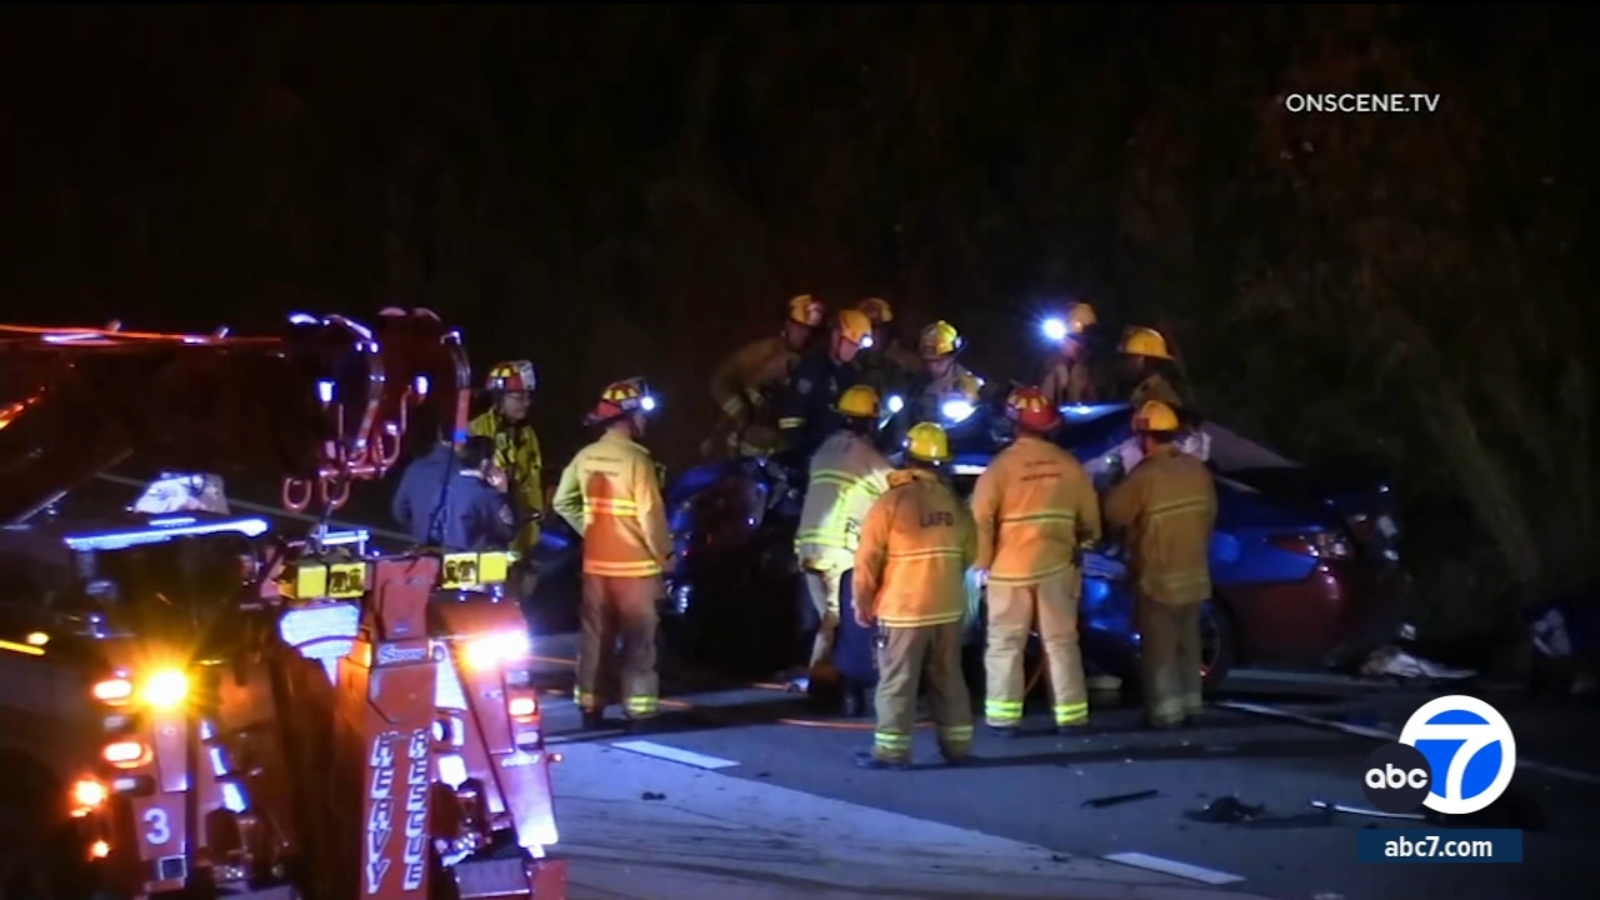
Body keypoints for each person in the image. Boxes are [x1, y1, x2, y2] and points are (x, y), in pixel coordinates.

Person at [970, 387, 1103, 736]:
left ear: (1014, 425)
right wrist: (1083, 542)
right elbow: (1090, 519)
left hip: (1008, 570)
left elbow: (980, 519)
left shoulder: (1000, 468)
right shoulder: (1069, 466)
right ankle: (1071, 717)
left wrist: (982, 562)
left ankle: (1003, 718)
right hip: (1058, 566)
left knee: (1005, 644)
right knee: (1061, 642)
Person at [850, 422, 977, 770]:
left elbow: (867, 560)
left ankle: (891, 752)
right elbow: (971, 552)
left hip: (904, 609)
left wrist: (862, 603)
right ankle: (958, 748)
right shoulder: (955, 503)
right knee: (949, 678)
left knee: (897, 682)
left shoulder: (891, 502)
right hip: (948, 608)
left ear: (908, 459)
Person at [551, 377, 672, 731]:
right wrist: (666, 556)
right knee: (639, 643)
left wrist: (592, 530)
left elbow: (561, 502)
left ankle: (590, 708)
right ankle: (640, 714)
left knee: (595, 639)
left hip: (596, 568)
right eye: (642, 415)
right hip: (636, 568)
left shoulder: (585, 457)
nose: (645, 423)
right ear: (630, 417)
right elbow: (651, 516)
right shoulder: (638, 460)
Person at [1102, 400, 1218, 730]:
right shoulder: (1197, 470)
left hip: (1159, 578)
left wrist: (1112, 480)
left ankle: (1166, 712)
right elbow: (1209, 517)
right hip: (1195, 575)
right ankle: (1192, 705)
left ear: (1145, 437)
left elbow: (1115, 512)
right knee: (1188, 644)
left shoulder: (1145, 475)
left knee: (1160, 650)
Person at [793, 384, 896, 714]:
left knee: (829, 618)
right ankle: (836, 688)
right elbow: (896, 489)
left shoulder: (825, 449)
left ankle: (821, 683)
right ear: (871, 422)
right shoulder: (869, 458)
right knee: (842, 621)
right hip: (839, 549)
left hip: (807, 545)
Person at [707, 294, 825, 457]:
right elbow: (721, 380)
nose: (804, 335)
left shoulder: (807, 361)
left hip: (776, 437)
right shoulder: (764, 352)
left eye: (808, 331)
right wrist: (741, 412)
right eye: (799, 328)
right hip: (749, 433)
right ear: (787, 325)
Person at [469, 360, 546, 594]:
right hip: (492, 537)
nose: (526, 403)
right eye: (518, 397)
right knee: (488, 604)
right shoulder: (478, 430)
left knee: (517, 603)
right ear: (500, 397)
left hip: (525, 535)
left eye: (527, 397)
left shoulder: (527, 432)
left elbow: (533, 473)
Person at [777, 309, 873, 463]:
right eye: (849, 342)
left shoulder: (852, 375)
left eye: (856, 346)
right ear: (835, 336)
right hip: (811, 454)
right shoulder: (812, 369)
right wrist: (804, 455)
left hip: (839, 455)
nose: (852, 350)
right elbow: (791, 421)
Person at [909, 320, 984, 426]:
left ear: (952, 357)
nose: (933, 367)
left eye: (939, 361)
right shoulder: (917, 381)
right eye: (929, 361)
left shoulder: (967, 382)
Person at [853, 297, 921, 400]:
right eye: (868, 328)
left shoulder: (906, 362)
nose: (873, 334)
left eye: (879, 329)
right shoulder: (851, 361)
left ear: (887, 330)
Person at [1039, 303, 1103, 406]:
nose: (1080, 346)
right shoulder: (1050, 366)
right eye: (1074, 339)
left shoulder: (1093, 369)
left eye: (1084, 341)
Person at [1118, 327, 1188, 409]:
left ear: (1146, 360)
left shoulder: (1160, 395)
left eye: (1128, 358)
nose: (1123, 364)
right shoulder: (1146, 389)